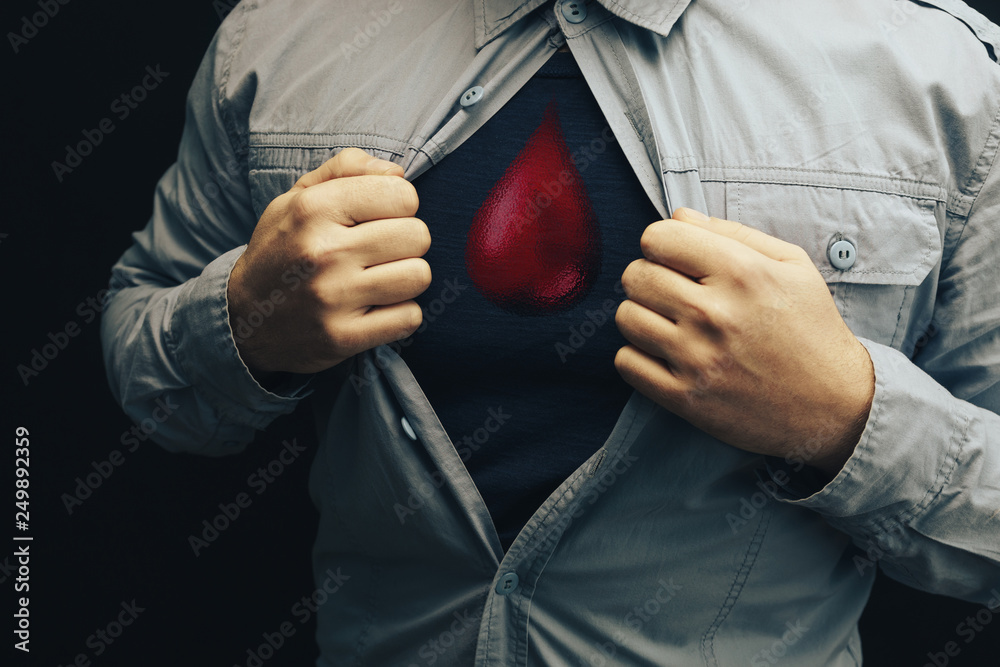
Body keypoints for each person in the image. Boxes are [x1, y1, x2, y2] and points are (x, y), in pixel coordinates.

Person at [101, 0, 1000, 664]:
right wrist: (246, 325)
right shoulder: (280, 38)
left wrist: (845, 416)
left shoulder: (937, 77)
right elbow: (145, 368)